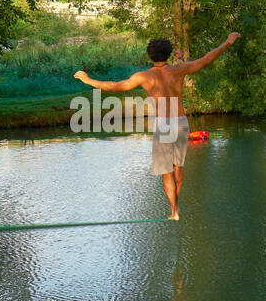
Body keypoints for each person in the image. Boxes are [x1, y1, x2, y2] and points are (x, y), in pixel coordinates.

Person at [74, 32, 241, 220]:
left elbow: (115, 86)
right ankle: (176, 207)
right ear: (168, 54)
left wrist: (88, 80)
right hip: (180, 122)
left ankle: (173, 211)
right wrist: (227, 42)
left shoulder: (144, 77)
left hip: (163, 125)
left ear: (150, 55)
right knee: (178, 166)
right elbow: (206, 60)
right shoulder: (179, 70)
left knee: (166, 172)